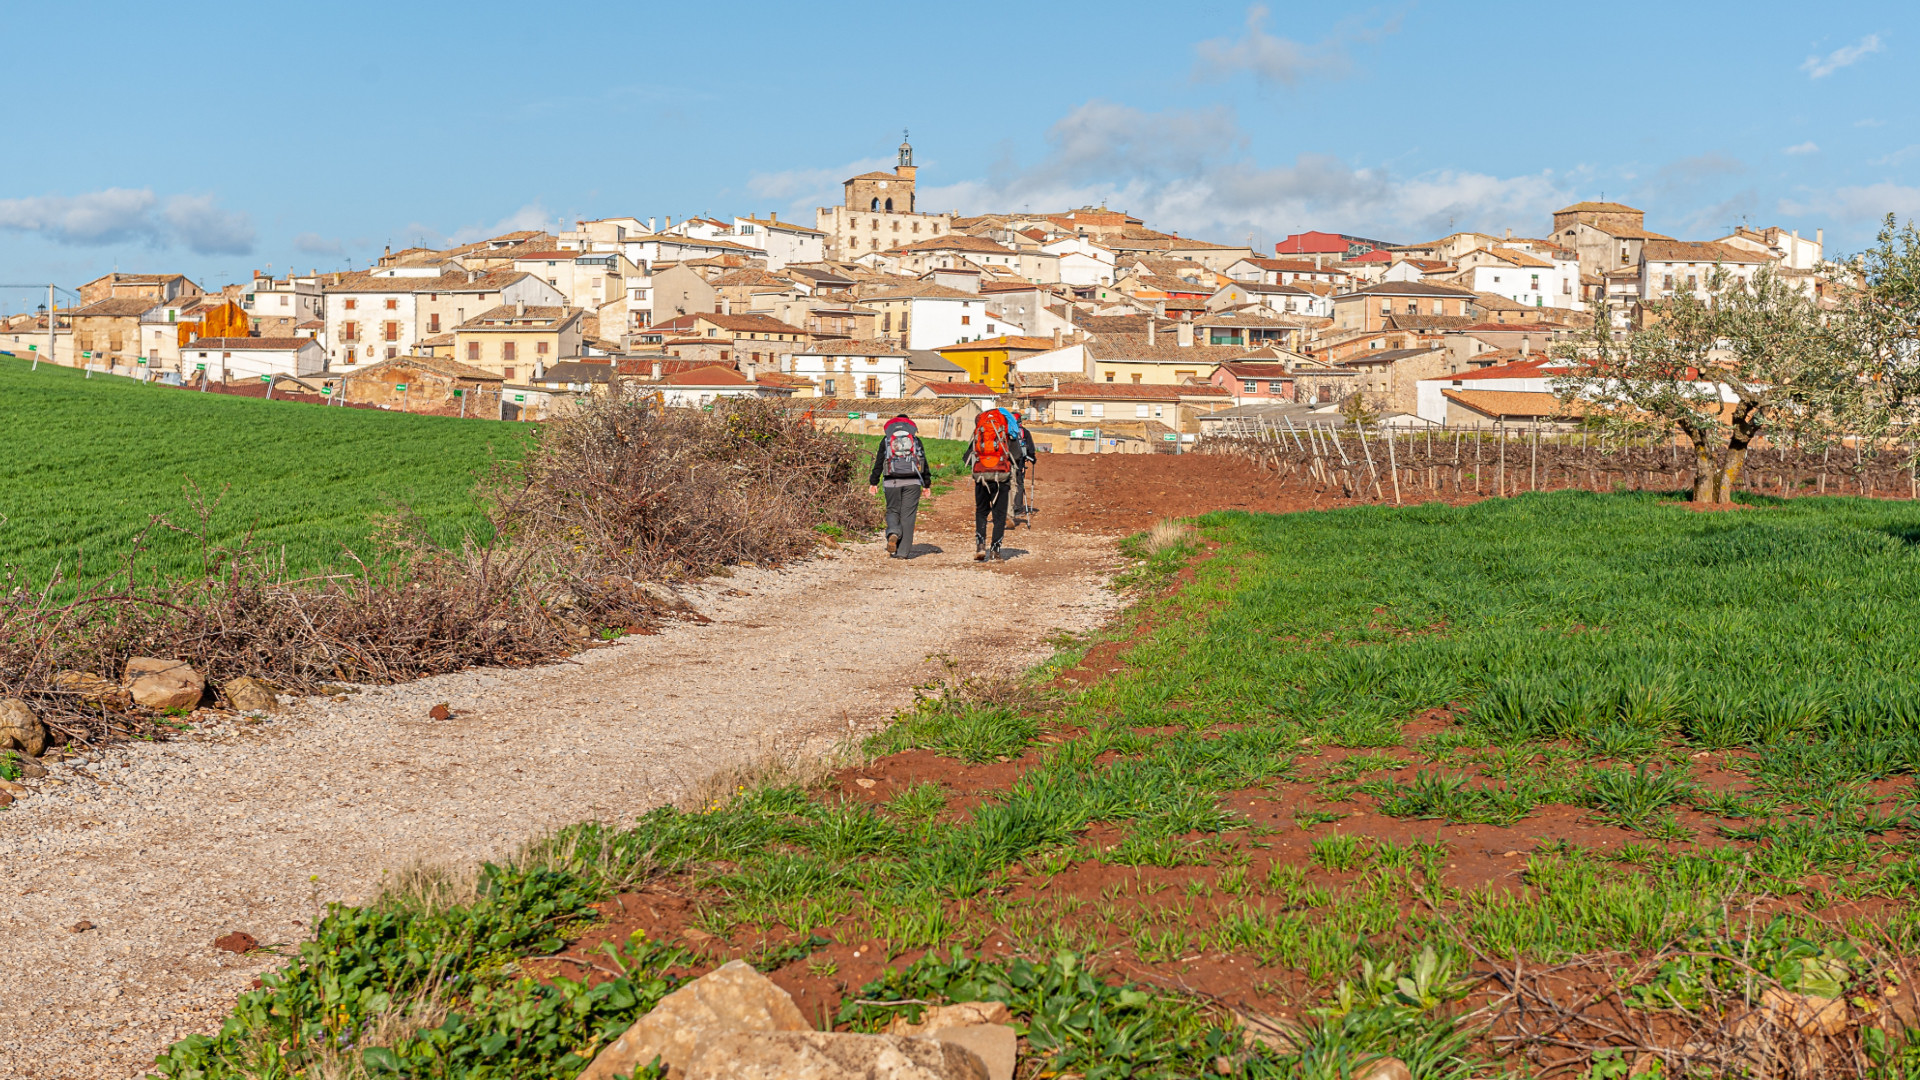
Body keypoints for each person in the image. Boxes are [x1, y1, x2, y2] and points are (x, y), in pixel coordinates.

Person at [868, 414, 932, 558]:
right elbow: (922, 462)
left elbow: (879, 462)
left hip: (891, 481)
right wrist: (926, 484)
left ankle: (893, 532)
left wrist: (873, 482)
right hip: (913, 482)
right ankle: (903, 552)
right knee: (908, 516)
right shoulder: (915, 441)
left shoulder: (886, 441)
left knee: (892, 510)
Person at [965, 407, 1016, 561]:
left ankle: (980, 546)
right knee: (999, 515)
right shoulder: (1006, 436)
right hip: (1001, 477)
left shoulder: (979, 435)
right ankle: (995, 551)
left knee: (981, 511)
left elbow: (966, 457)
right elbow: (1018, 455)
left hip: (981, 476)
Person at [1012, 422, 1038, 521]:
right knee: (1019, 484)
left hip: (1006, 464)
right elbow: (1030, 449)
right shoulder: (1024, 432)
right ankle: (1017, 509)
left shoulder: (1005, 430)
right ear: (1021, 422)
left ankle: (1006, 507)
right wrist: (1033, 459)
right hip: (1019, 463)